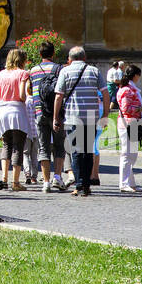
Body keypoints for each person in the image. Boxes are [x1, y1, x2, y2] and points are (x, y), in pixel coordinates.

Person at [53, 45, 105, 196]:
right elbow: (105, 93)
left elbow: (58, 96)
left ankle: (79, 185)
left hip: (72, 117)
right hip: (91, 118)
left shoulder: (65, 71)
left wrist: (56, 117)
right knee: (88, 152)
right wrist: (105, 113)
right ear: (84, 58)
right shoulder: (94, 71)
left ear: (69, 59)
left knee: (76, 152)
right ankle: (86, 185)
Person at [28, 42, 66, 192]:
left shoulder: (33, 71)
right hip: (56, 112)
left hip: (40, 112)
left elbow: (31, 90)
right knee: (59, 146)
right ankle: (57, 177)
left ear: (40, 54)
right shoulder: (59, 69)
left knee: (43, 147)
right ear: (53, 54)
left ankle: (45, 182)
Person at [0, 49, 32, 192]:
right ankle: (15, 182)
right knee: (17, 147)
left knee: (6, 145)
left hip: (2, 111)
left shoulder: (1, 74)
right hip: (17, 111)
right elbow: (22, 95)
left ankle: (3, 179)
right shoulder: (23, 73)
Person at [116, 64, 142, 192]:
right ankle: (124, 183)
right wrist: (140, 108)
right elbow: (126, 109)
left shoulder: (130, 89)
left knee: (132, 155)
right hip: (128, 124)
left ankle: (131, 182)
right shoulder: (127, 90)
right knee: (127, 154)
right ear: (135, 75)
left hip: (133, 123)